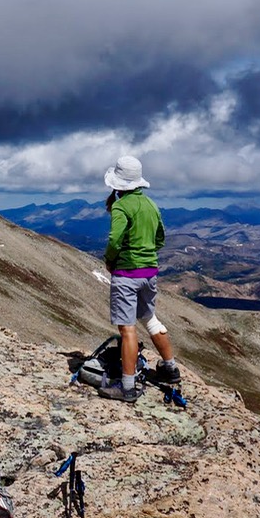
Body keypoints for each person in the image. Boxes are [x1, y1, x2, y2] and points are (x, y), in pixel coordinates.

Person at [99, 155, 179, 401]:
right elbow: (160, 239)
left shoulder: (122, 207)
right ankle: (170, 368)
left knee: (127, 329)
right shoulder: (152, 205)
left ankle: (127, 386)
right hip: (149, 271)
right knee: (149, 318)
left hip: (127, 273)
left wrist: (110, 260)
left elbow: (114, 240)